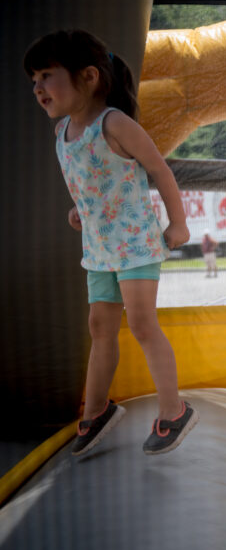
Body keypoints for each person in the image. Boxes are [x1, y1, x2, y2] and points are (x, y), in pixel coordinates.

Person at [25, 29, 198, 456]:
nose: (39, 88)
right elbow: (93, 180)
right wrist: (79, 209)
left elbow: (160, 171)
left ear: (88, 77)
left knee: (141, 324)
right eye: (34, 81)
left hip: (136, 243)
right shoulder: (63, 132)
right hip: (100, 249)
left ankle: (173, 411)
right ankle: (97, 410)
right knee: (99, 328)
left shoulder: (115, 123)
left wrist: (178, 223)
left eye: (47, 75)